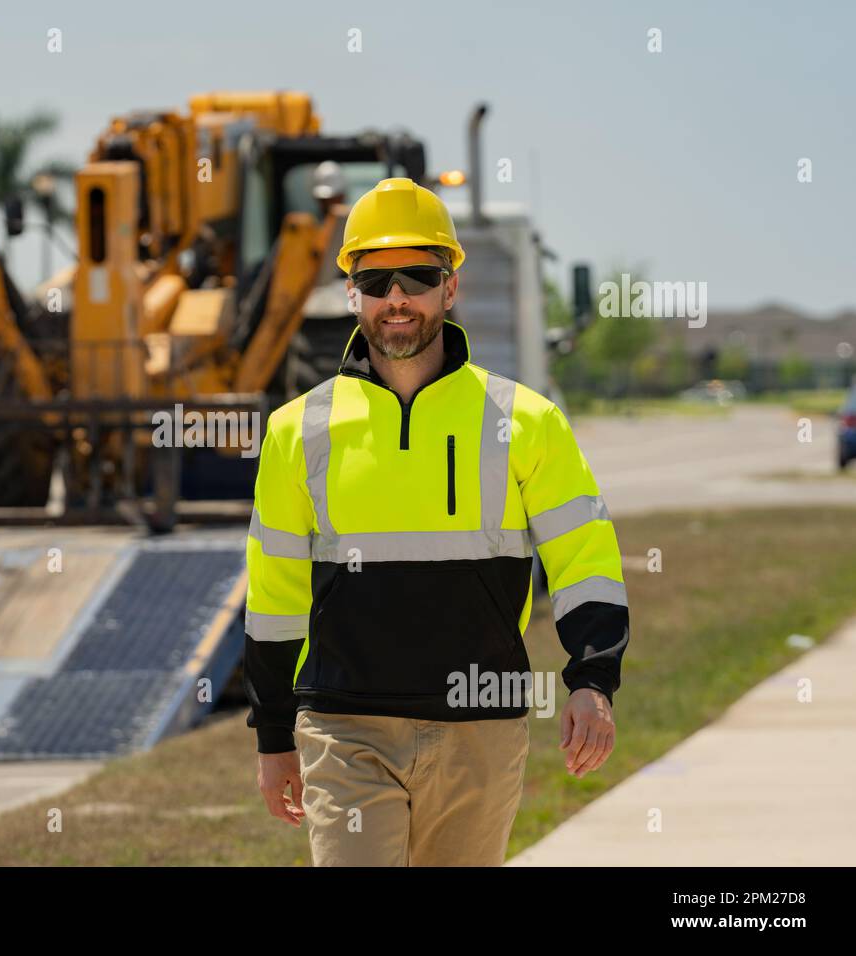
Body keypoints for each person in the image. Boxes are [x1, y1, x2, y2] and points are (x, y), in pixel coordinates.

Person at [244, 177, 630, 866]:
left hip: (480, 727)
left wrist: (592, 681)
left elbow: (584, 558)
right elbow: (274, 593)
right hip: (344, 727)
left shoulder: (526, 422)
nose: (397, 296)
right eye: (376, 278)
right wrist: (274, 734)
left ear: (449, 288)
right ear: (351, 293)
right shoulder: (296, 431)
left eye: (418, 275)